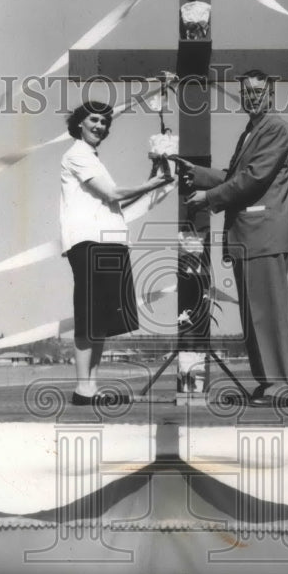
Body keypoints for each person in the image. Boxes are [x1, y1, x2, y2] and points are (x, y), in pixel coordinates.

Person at [177, 70, 288, 407]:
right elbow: (236, 176)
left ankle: (281, 384)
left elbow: (253, 179)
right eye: (246, 92)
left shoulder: (274, 128)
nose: (252, 97)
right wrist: (197, 174)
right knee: (254, 314)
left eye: (258, 91)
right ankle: (268, 382)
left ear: (270, 94)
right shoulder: (252, 131)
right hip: (249, 236)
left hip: (264, 233)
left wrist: (209, 198)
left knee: (268, 312)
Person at [59, 101, 172, 406]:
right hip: (90, 243)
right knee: (89, 317)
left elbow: (115, 202)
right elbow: (111, 193)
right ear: (79, 123)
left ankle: (90, 388)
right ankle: (83, 388)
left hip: (107, 242)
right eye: (94, 120)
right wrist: (155, 182)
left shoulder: (90, 157)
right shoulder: (77, 155)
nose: (100, 126)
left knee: (101, 321)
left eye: (105, 122)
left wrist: (154, 180)